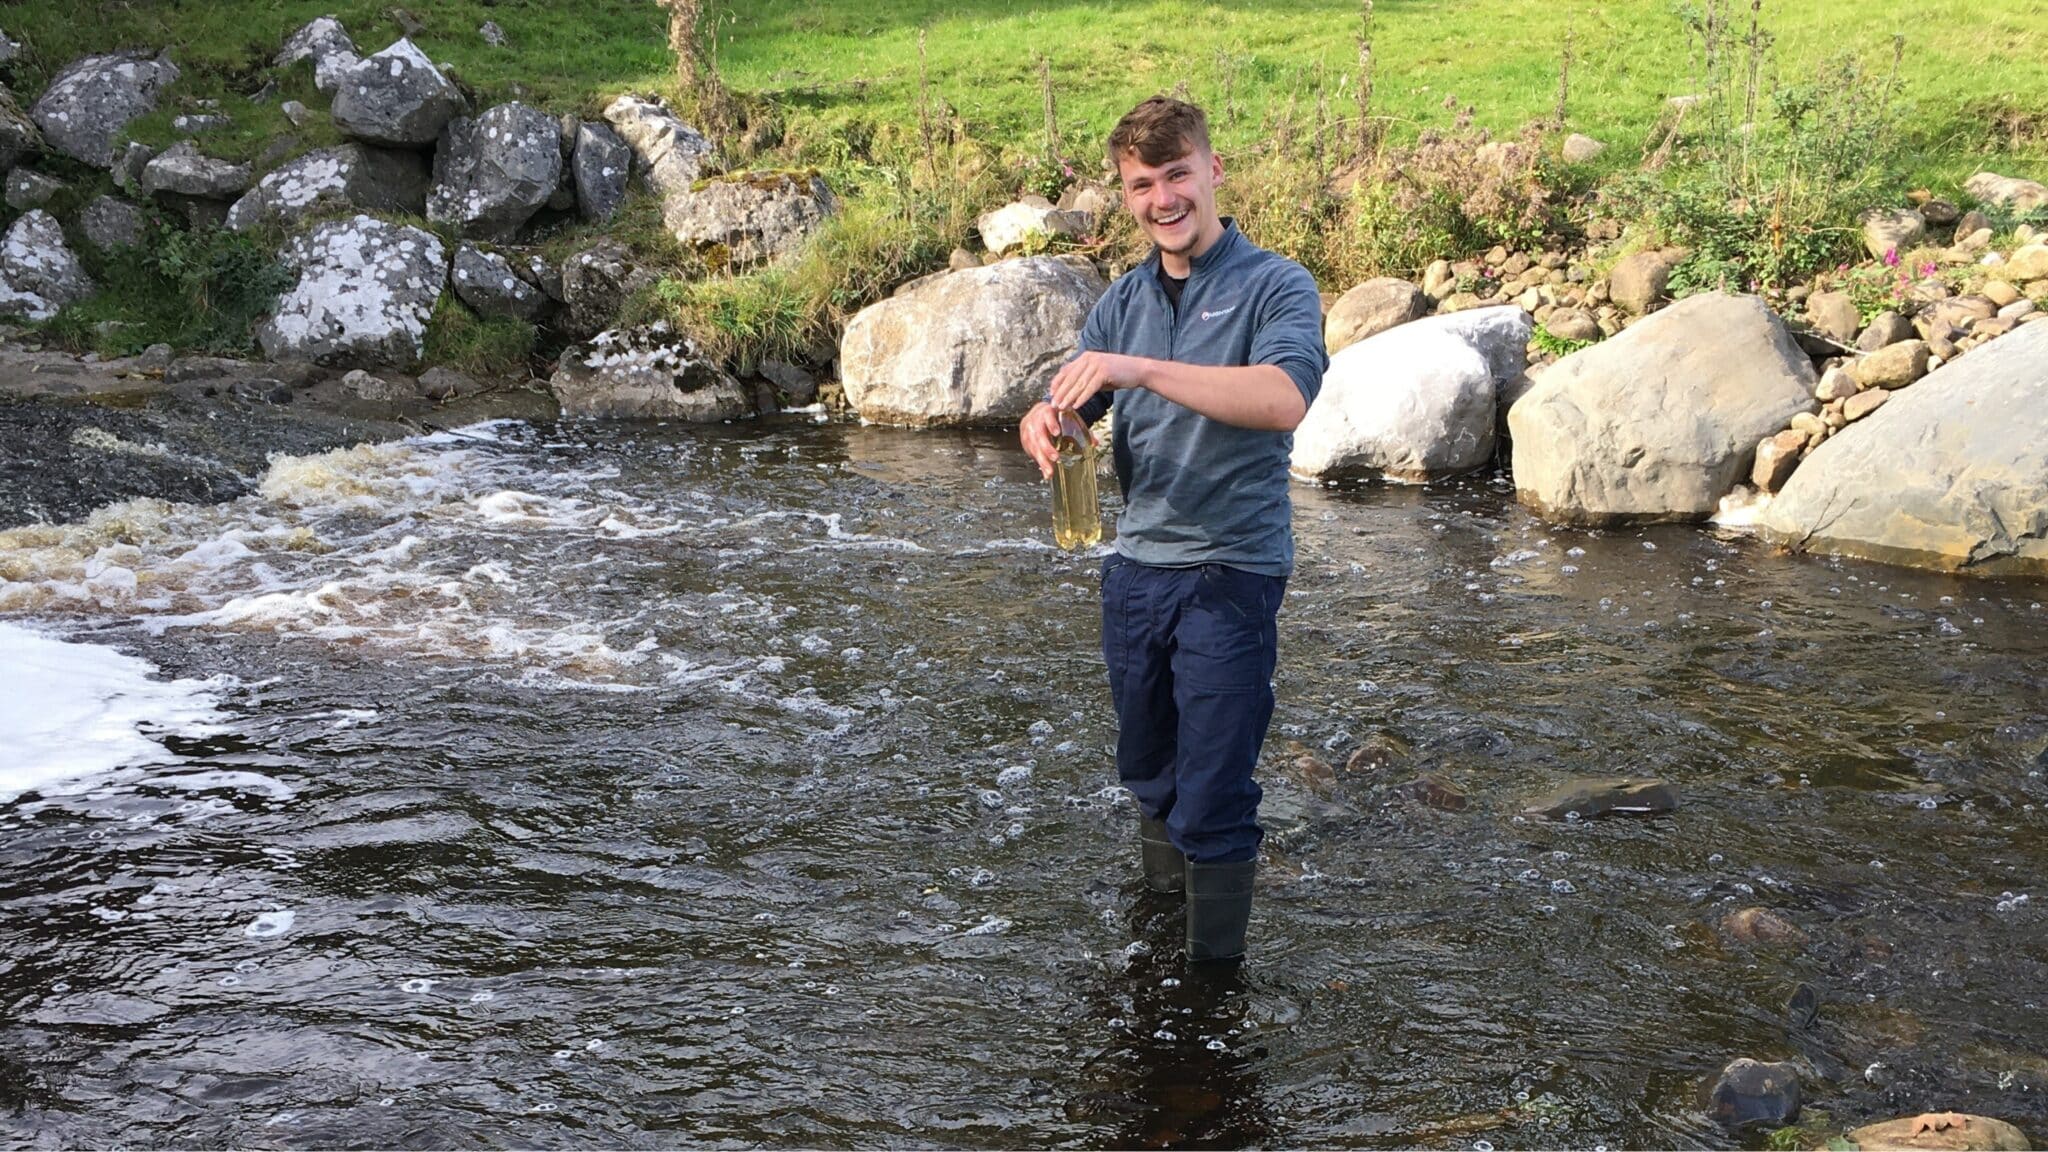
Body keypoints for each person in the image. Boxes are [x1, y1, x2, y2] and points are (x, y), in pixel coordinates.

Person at [1019, 96, 1327, 963]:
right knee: (1149, 773)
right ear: (1126, 194)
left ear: (1213, 170)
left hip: (1232, 573)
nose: (1163, 198)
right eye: (1141, 184)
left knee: (1215, 794)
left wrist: (1142, 368)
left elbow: (1282, 400)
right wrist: (1047, 422)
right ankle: (1161, 946)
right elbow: (1078, 404)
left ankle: (1211, 995)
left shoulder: (1276, 284)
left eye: (1177, 174)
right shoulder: (1120, 301)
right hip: (1139, 570)